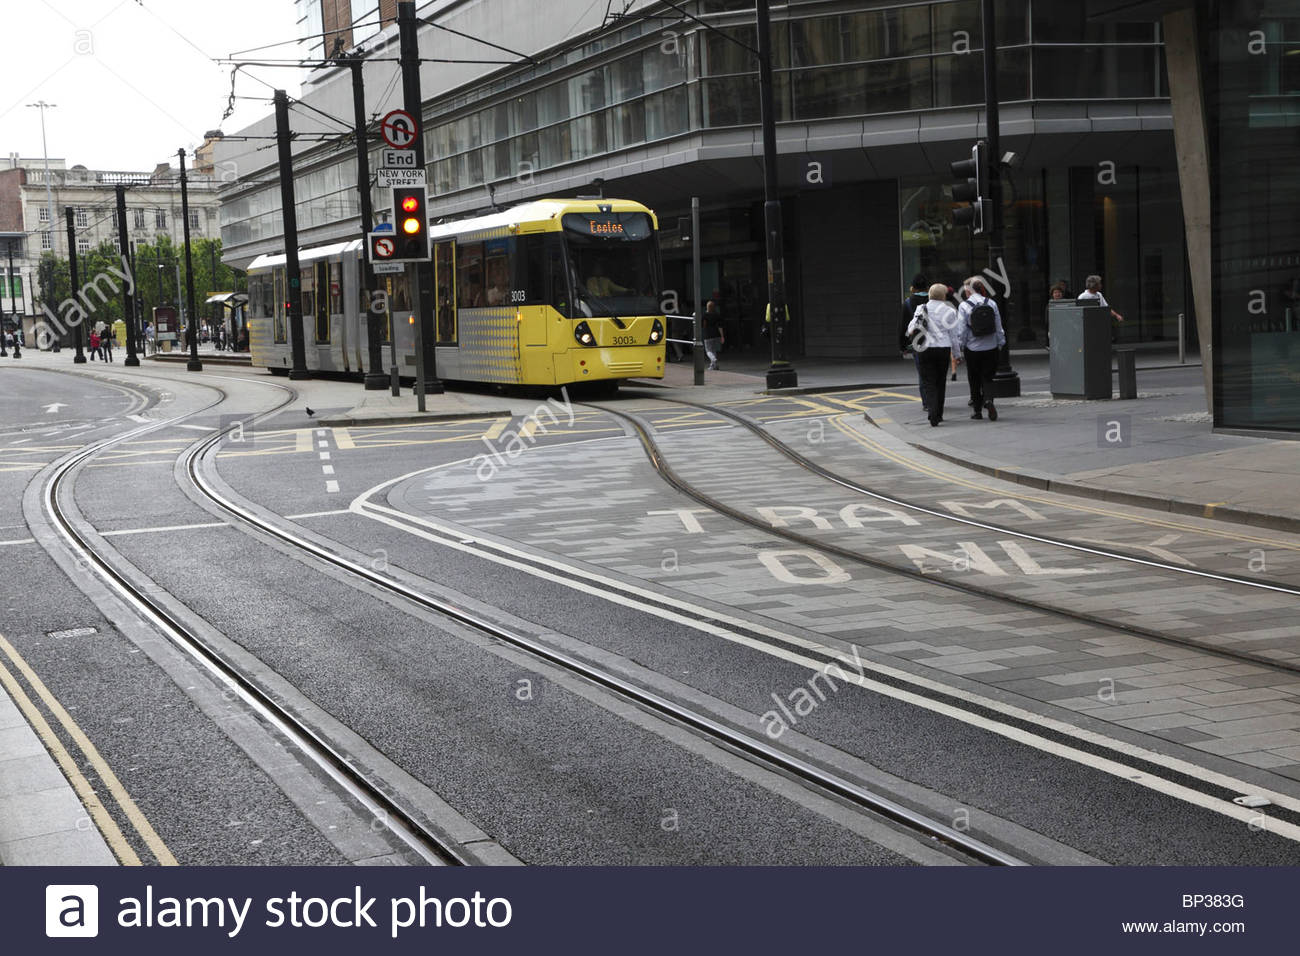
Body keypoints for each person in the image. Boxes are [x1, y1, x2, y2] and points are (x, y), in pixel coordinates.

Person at [955, 276, 1007, 421]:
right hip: (990, 347)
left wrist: (962, 346)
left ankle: (977, 411)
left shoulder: (964, 306)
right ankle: (989, 400)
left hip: (973, 349)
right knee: (988, 378)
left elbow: (962, 330)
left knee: (974, 379)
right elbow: (998, 326)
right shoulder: (991, 303)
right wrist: (1000, 342)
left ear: (969, 291)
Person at [905, 283, 957, 427]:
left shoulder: (921, 308)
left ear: (930, 295)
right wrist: (957, 354)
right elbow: (954, 336)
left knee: (928, 382)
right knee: (940, 382)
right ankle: (938, 414)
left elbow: (911, 328)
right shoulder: (950, 311)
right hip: (943, 349)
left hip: (925, 349)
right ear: (943, 296)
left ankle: (932, 413)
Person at [899, 273, 931, 413]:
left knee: (922, 373)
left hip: (918, 343)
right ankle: (936, 399)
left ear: (913, 287)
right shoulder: (933, 299)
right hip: (935, 342)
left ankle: (926, 402)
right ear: (927, 286)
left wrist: (903, 346)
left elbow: (903, 326)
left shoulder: (907, 303)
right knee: (935, 372)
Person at [701, 300, 724, 370]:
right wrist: (722, 336)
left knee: (708, 350)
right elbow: (720, 326)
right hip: (716, 334)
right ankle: (713, 366)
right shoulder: (717, 315)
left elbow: (704, 325)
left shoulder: (705, 315)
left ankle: (713, 359)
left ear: (707, 307)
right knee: (713, 350)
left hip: (708, 334)